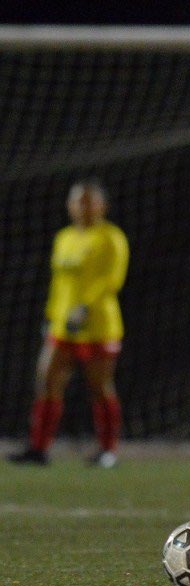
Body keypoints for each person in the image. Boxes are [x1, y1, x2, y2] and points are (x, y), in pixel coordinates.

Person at [8, 180, 129, 468]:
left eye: (89, 201)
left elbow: (111, 280)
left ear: (103, 206)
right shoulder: (64, 238)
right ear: (69, 206)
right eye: (77, 201)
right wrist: (52, 315)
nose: (83, 207)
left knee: (100, 387)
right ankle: (38, 448)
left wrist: (84, 307)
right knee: (47, 382)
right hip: (63, 326)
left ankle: (108, 451)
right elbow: (59, 284)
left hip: (99, 325)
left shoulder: (111, 238)